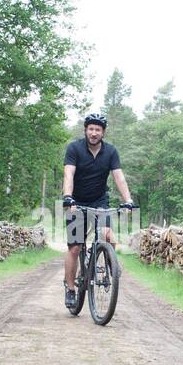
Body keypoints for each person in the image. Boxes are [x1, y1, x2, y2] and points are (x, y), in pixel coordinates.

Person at [62, 113, 136, 308]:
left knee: (108, 235)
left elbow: (119, 177)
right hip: (76, 201)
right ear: (86, 130)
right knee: (75, 247)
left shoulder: (111, 152)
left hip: (99, 201)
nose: (94, 133)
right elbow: (68, 173)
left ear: (103, 132)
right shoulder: (74, 148)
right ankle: (70, 289)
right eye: (91, 129)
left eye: (98, 130)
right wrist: (68, 197)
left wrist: (128, 200)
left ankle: (111, 265)